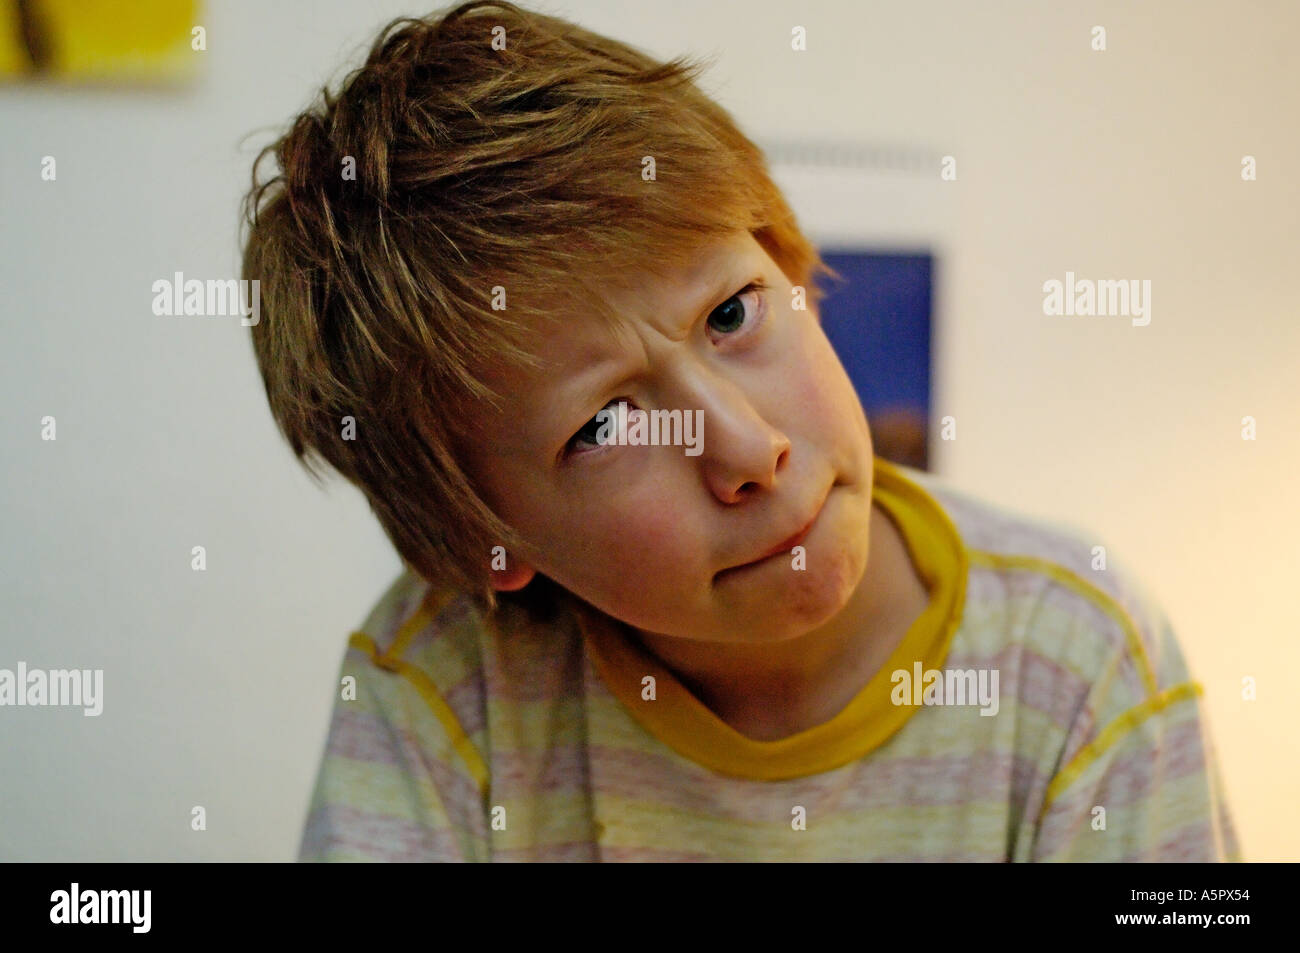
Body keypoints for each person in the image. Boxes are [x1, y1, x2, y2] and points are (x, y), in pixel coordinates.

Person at [240, 0, 1239, 861]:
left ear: (792, 265)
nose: (747, 449)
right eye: (605, 423)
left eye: (731, 314)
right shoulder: (444, 688)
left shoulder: (1078, 656)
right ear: (485, 543)